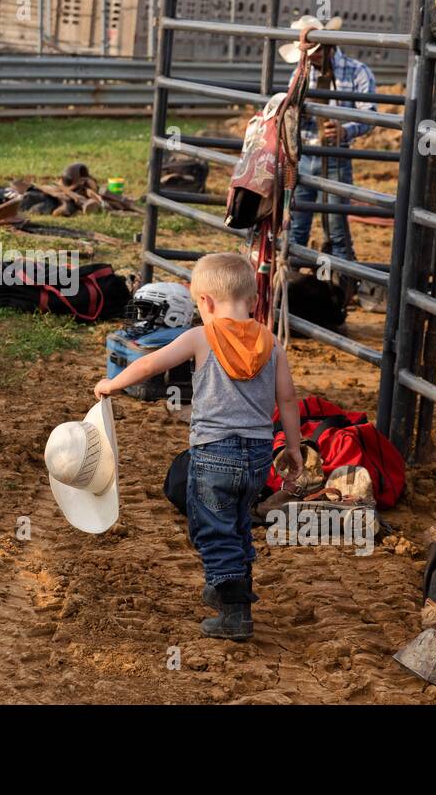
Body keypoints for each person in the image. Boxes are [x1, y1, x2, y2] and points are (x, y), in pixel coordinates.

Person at [95, 253, 303, 640]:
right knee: (238, 521)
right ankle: (232, 585)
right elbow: (288, 400)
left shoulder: (201, 336)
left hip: (214, 453)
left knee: (211, 528)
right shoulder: (272, 344)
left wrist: (112, 384)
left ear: (204, 303)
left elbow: (150, 364)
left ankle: (234, 610)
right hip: (258, 455)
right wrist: (293, 448)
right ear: (254, 301)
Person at [281, 15, 378, 266]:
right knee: (297, 225)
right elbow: (288, 111)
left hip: (336, 157)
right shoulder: (301, 72)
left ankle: (341, 283)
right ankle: (290, 284)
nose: (309, 57)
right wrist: (297, 117)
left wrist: (345, 130)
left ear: (328, 46)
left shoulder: (358, 71)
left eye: (313, 52)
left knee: (336, 226)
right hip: (304, 153)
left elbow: (370, 114)